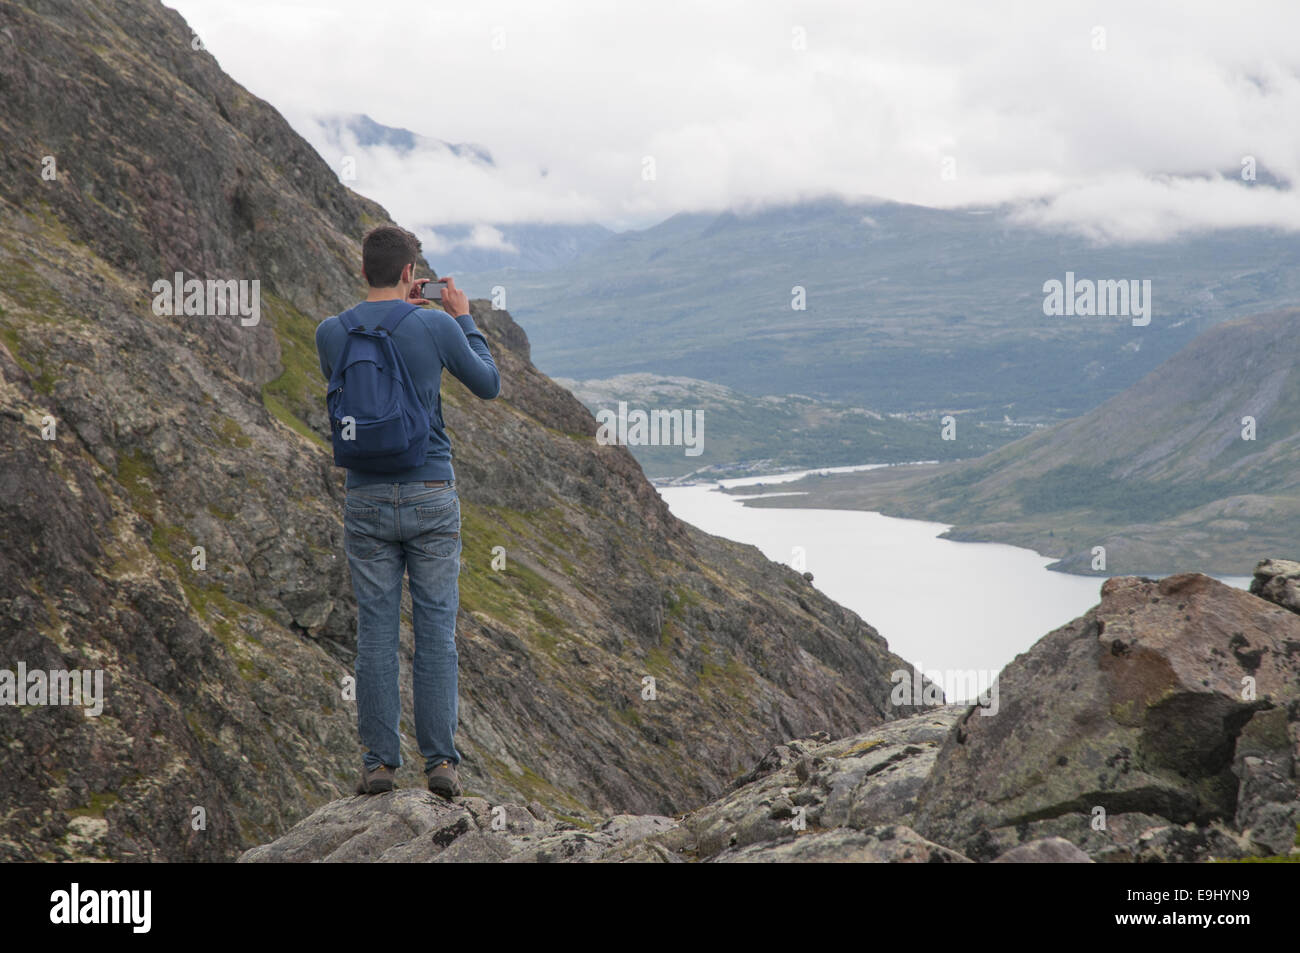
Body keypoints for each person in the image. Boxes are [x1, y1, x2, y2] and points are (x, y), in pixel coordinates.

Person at [314, 225, 500, 798]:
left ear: (362, 270)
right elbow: (488, 383)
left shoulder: (331, 333)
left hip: (366, 496)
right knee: (436, 629)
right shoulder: (435, 323)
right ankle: (441, 764)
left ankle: (378, 765)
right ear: (408, 274)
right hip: (429, 492)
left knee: (375, 633)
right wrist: (462, 318)